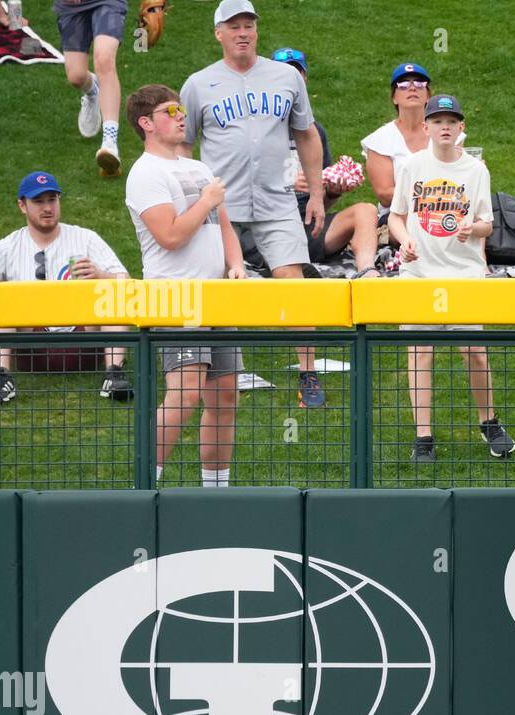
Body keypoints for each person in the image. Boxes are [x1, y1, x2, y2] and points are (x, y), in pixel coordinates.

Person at [179, 0, 328, 409]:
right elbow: (183, 145)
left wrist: (316, 193)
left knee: (292, 282)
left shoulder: (286, 77)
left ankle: (308, 373)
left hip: (275, 199)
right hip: (219, 203)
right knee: (215, 282)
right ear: (218, 33)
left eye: (249, 25)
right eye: (234, 26)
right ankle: (210, 367)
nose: (243, 32)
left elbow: (307, 134)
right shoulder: (198, 84)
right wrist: (187, 200)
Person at [124, 82, 247, 488]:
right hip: (176, 296)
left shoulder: (199, 169)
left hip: (216, 296)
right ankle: (145, 485)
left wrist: (236, 265)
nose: (181, 117)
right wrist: (206, 200)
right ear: (146, 123)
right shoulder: (145, 173)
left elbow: (224, 228)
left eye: (181, 110)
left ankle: (216, 492)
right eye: (170, 111)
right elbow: (171, 236)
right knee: (185, 394)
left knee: (225, 396)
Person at [388, 93, 515, 464]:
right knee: (420, 352)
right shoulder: (411, 166)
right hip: (418, 273)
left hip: (464, 273)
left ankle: (489, 422)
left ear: (461, 127)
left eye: (451, 121)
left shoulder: (476, 170)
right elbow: (396, 216)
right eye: (437, 121)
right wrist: (405, 240)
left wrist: (471, 228)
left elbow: (487, 223)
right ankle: (423, 438)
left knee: (474, 351)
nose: (444, 127)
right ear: (426, 127)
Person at [0, 170, 133, 406]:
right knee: (3, 299)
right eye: (38, 201)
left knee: (113, 294)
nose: (47, 208)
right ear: (22, 205)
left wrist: (101, 275)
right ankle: (1, 379)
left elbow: (127, 283)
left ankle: (114, 374)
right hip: (32, 347)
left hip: (84, 342)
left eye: (52, 200)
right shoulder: (6, 247)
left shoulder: (85, 238)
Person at [270, 48, 379, 276]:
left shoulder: (314, 132)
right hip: (268, 228)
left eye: (296, 74)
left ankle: (367, 274)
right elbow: (235, 189)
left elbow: (319, 206)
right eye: (282, 74)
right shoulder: (256, 128)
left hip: (308, 227)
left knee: (366, 211)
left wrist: (332, 192)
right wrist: (284, 183)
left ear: (304, 80)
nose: (290, 81)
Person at [53, 0, 128, 176]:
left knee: (104, 59)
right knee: (76, 77)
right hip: (71, 6)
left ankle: (110, 142)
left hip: (108, 2)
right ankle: (93, 91)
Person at [362, 62, 432, 218]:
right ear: (394, 97)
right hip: (398, 215)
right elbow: (385, 195)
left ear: (428, 96)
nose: (412, 88)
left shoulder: (446, 132)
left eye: (419, 83)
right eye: (403, 85)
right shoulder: (380, 140)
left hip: (445, 210)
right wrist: (434, 196)